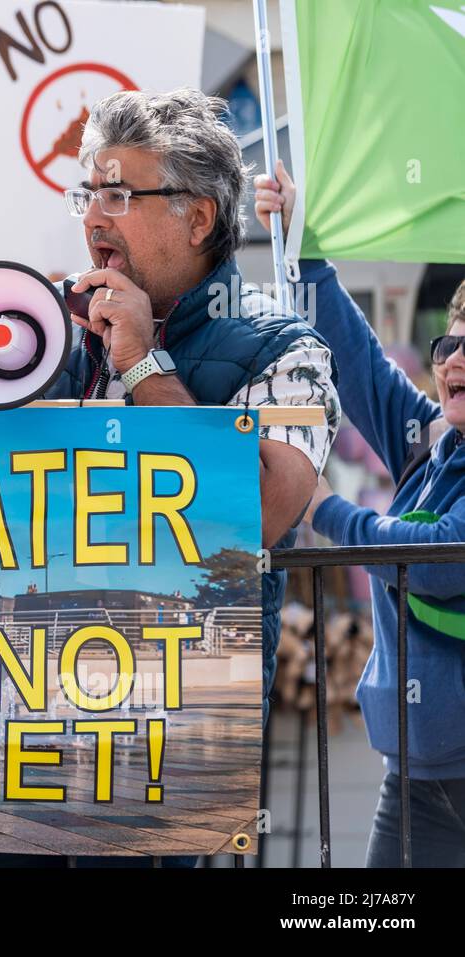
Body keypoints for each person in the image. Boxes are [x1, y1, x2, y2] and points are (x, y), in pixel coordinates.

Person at [43, 89, 341, 712]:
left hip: (190, 713)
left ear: (198, 219)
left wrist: (143, 364)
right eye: (86, 197)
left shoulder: (287, 351)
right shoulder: (63, 334)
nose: (93, 219)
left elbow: (253, 517)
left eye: (117, 196)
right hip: (41, 697)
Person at [256, 162, 465, 867]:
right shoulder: (429, 440)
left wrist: (327, 511)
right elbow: (359, 362)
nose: (455, 360)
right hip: (413, 778)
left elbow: (438, 557)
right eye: (449, 343)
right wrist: (304, 246)